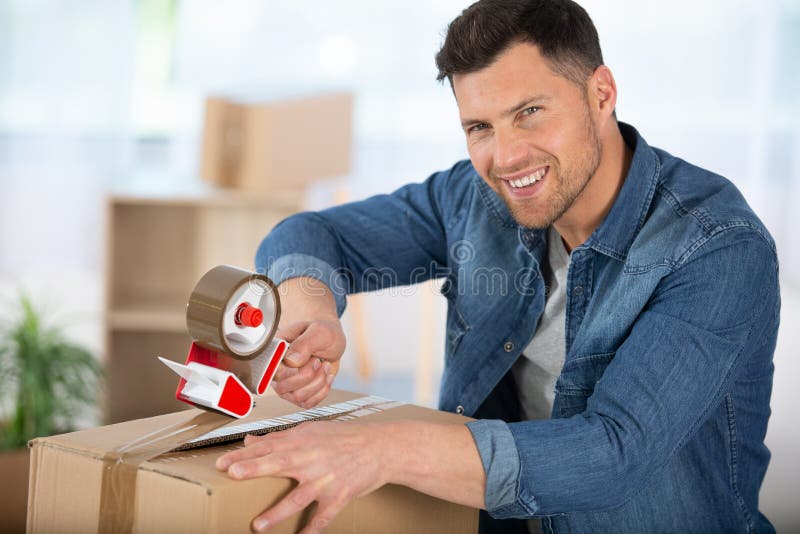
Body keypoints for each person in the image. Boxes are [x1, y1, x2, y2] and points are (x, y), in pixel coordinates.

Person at [216, 0, 781, 532]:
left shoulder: (717, 247)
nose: (506, 158)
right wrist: (312, 305)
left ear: (602, 93)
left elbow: (612, 454)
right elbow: (310, 233)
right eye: (479, 127)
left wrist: (382, 448)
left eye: (530, 113)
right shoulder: (476, 197)